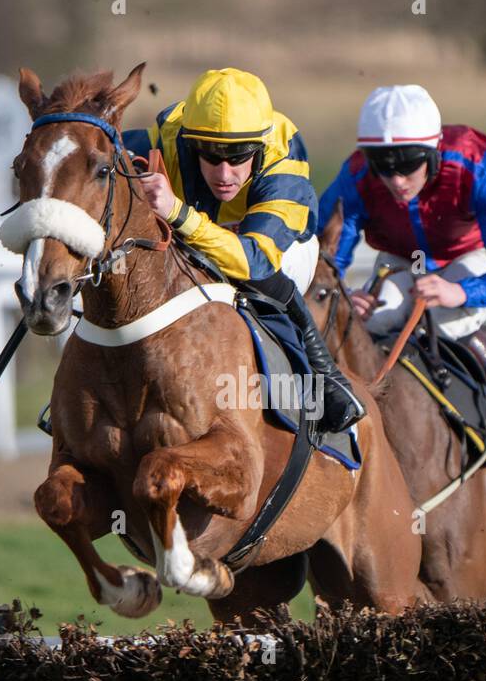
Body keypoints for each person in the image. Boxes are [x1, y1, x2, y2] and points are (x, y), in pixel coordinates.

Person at [319, 84, 486, 476]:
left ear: (433, 153)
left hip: (471, 255)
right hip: (402, 259)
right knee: (369, 322)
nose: (397, 180)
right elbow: (326, 259)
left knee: (447, 321)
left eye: (409, 164)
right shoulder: (357, 174)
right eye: (385, 166)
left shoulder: (478, 162)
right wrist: (346, 295)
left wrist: (458, 290)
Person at [126, 68, 365, 434]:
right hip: (198, 241)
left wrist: (177, 212)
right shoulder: (164, 140)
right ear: (191, 143)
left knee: (254, 277)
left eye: (239, 156)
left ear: (259, 147)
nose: (225, 173)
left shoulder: (283, 157)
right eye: (211, 154)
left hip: (278, 253)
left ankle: (324, 377)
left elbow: (254, 260)